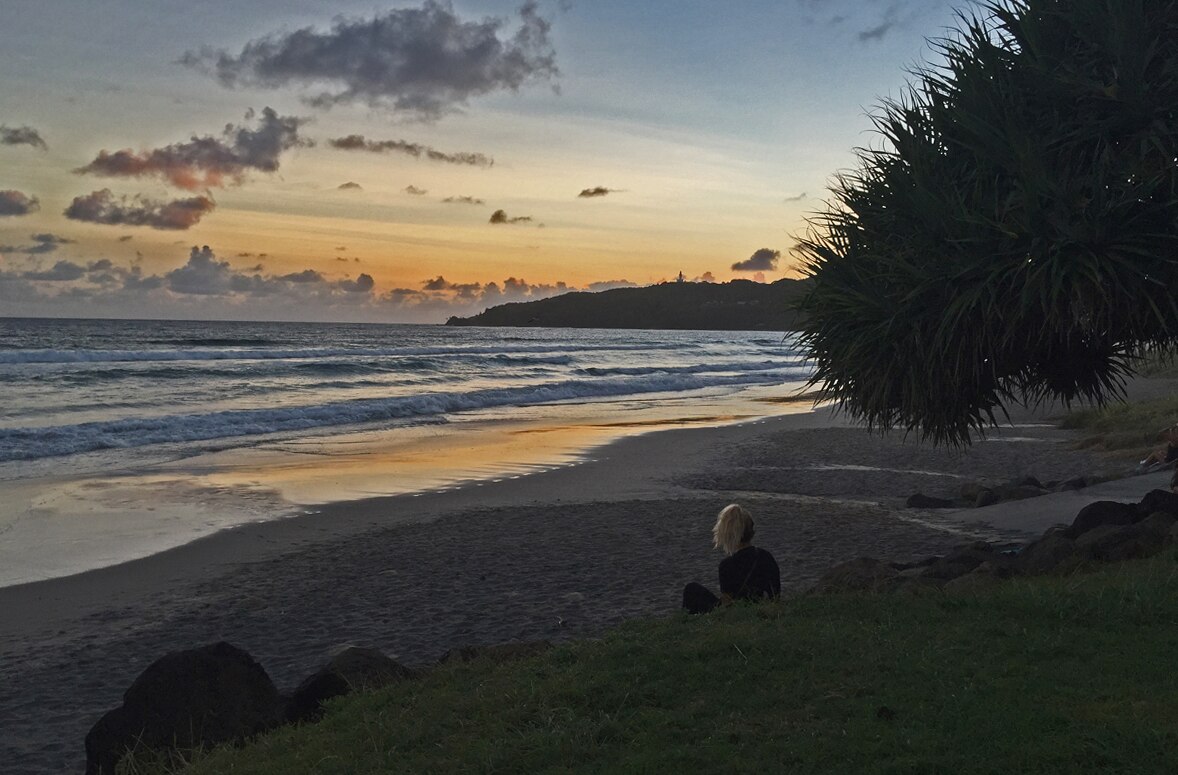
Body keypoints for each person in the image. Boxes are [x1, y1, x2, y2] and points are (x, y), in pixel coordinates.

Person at [682, 504, 781, 614]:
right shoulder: (766, 556)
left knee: (691, 589)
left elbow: (727, 604)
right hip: (760, 611)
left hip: (738, 614)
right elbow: (775, 595)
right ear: (751, 532)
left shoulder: (727, 565)